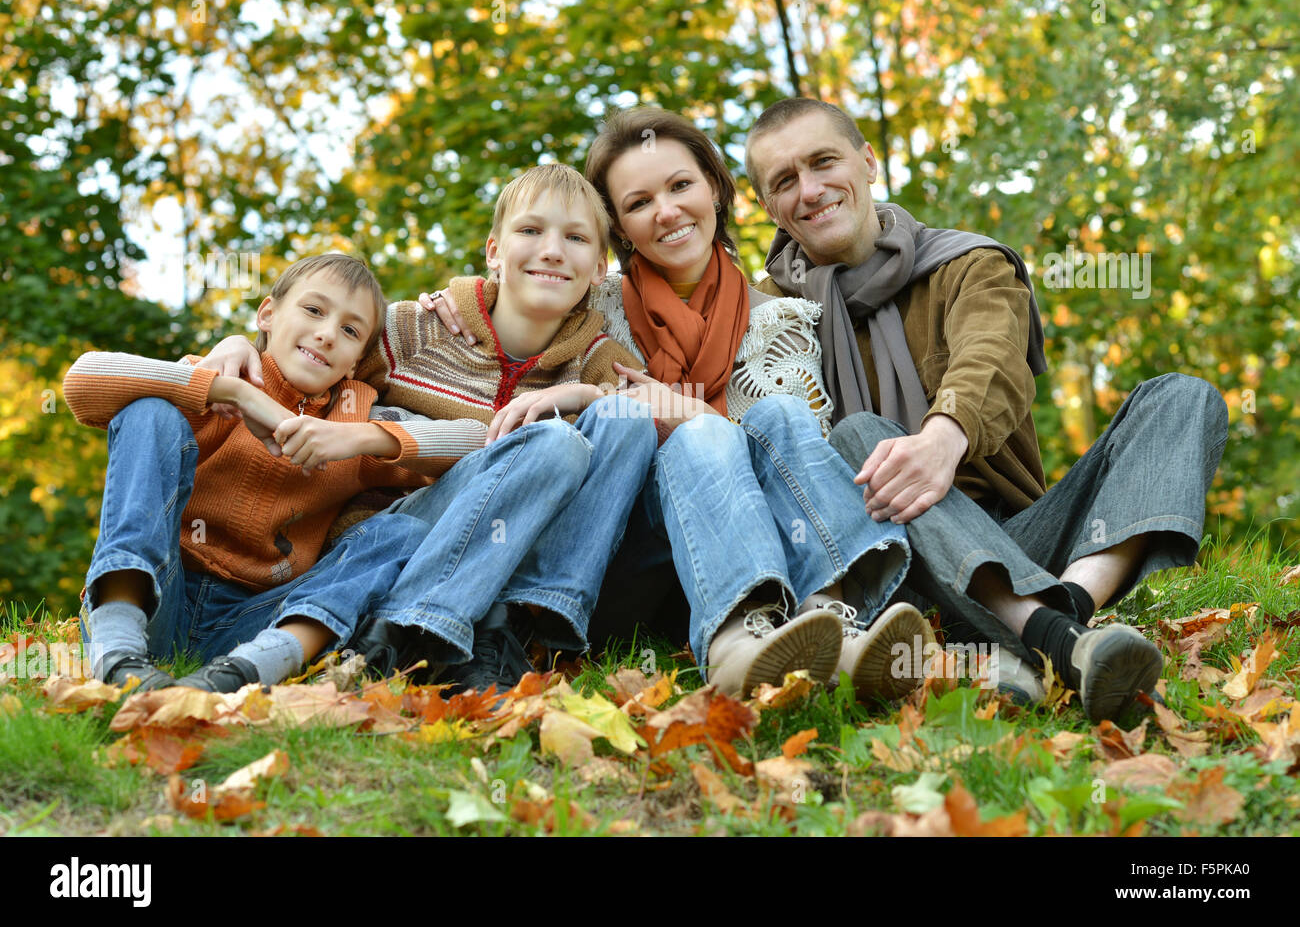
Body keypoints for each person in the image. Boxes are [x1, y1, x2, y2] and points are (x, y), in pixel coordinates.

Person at [744, 97, 1229, 722]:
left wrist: (944, 437)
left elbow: (992, 359)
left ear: (867, 162)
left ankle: (1056, 620)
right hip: (888, 576)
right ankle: (1056, 639)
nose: (809, 190)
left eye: (823, 162)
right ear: (767, 206)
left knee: (1183, 396)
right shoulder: (769, 318)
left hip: (1019, 539)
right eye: (785, 180)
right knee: (861, 434)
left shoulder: (969, 263)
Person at [422, 109, 918, 702]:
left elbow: (792, 474)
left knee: (780, 417)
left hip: (754, 547)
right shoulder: (585, 303)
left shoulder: (781, 319)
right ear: (619, 230)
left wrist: (693, 416)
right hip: (618, 557)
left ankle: (832, 620)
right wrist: (447, 300)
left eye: (681, 186)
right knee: (701, 437)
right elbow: (503, 297)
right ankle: (735, 639)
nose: (667, 211)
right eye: (638, 202)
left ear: (714, 187)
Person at [195, 164, 659, 693]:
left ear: (600, 269)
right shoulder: (413, 329)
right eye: (530, 231)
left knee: (623, 421)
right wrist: (239, 345)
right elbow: (309, 355)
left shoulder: (603, 361)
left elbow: (642, 438)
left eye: (575, 238)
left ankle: (517, 627)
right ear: (493, 252)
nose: (552, 250)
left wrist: (580, 395)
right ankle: (396, 631)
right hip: (395, 544)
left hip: (509, 563)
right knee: (551, 441)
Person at [65, 254, 462, 691]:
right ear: (268, 314)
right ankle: (117, 654)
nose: (327, 334)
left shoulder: (355, 420)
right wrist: (235, 391)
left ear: (355, 362)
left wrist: (365, 438)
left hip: (258, 620)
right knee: (150, 413)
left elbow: (480, 443)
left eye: (350, 331)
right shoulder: (214, 381)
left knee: (399, 534)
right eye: (314, 310)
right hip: (158, 595)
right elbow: (84, 377)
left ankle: (245, 672)